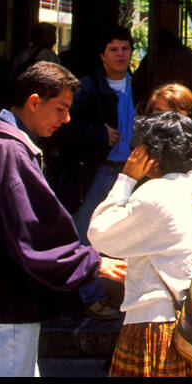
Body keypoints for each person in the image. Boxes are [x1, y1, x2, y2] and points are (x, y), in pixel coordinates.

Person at [0, 62, 126, 376]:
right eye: (60, 108)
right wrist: (90, 263)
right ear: (33, 102)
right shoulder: (8, 152)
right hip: (3, 299)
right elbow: (33, 231)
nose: (67, 118)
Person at [88, 110, 192, 377]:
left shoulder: (156, 192)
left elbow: (99, 234)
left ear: (151, 157)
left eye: (137, 149)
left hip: (154, 324)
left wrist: (126, 177)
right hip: (191, 325)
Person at [51, 25, 136, 319]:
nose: (120, 55)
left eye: (125, 48)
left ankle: (129, 296)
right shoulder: (86, 87)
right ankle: (91, 295)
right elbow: (63, 128)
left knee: (129, 233)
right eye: (113, 49)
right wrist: (98, 133)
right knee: (86, 231)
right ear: (102, 55)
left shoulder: (141, 86)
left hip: (133, 173)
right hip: (96, 172)